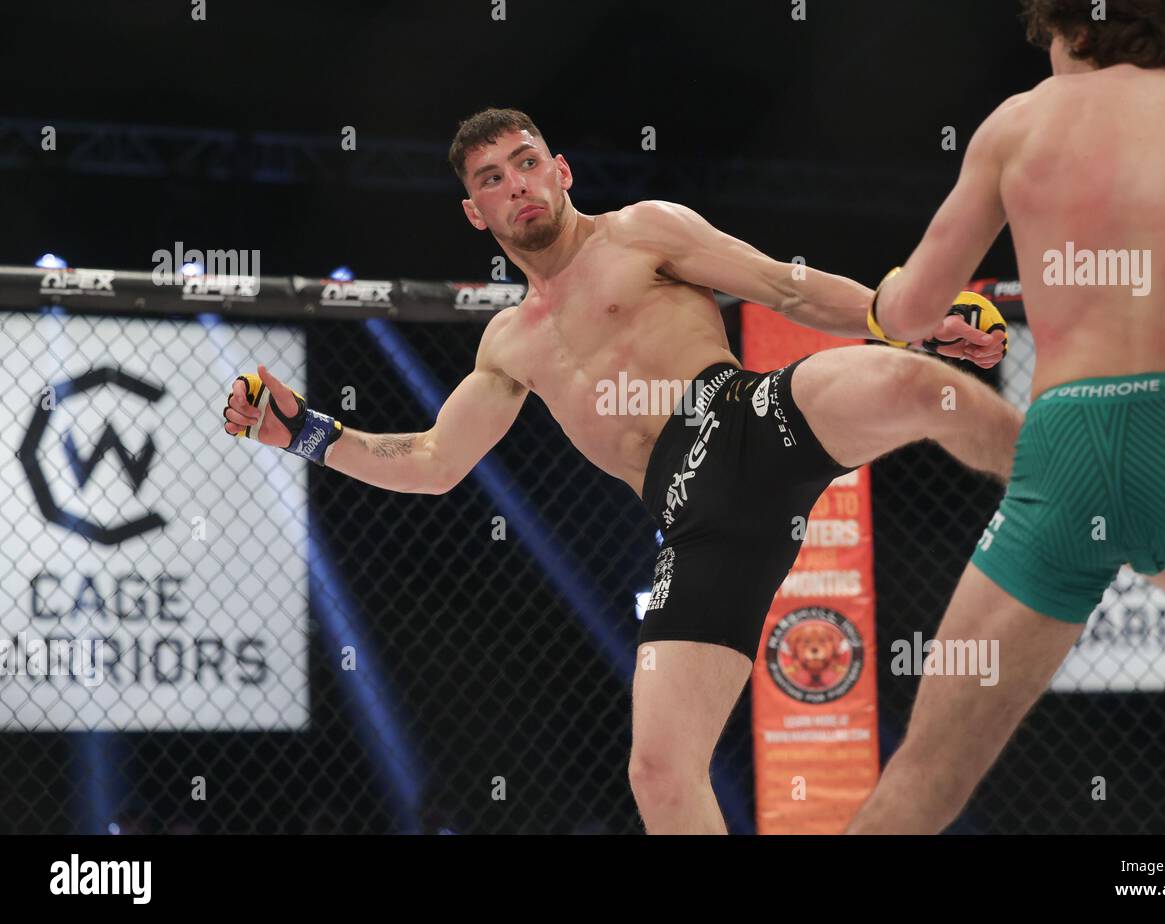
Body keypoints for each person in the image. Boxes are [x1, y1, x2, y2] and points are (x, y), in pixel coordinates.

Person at [220, 107, 1020, 834]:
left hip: (749, 419)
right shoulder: (508, 343)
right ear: (476, 212)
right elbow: (434, 461)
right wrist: (308, 435)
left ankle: (1072, 483)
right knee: (660, 772)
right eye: (492, 179)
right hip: (694, 524)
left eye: (527, 162)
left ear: (561, 170)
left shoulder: (644, 231)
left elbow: (785, 285)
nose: (517, 185)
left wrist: (911, 322)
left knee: (915, 385)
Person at [846, 0, 1165, 834]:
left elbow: (907, 314)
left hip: (1064, 462)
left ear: (1079, 32)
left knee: (924, 781)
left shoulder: (1022, 122)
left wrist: (885, 300)